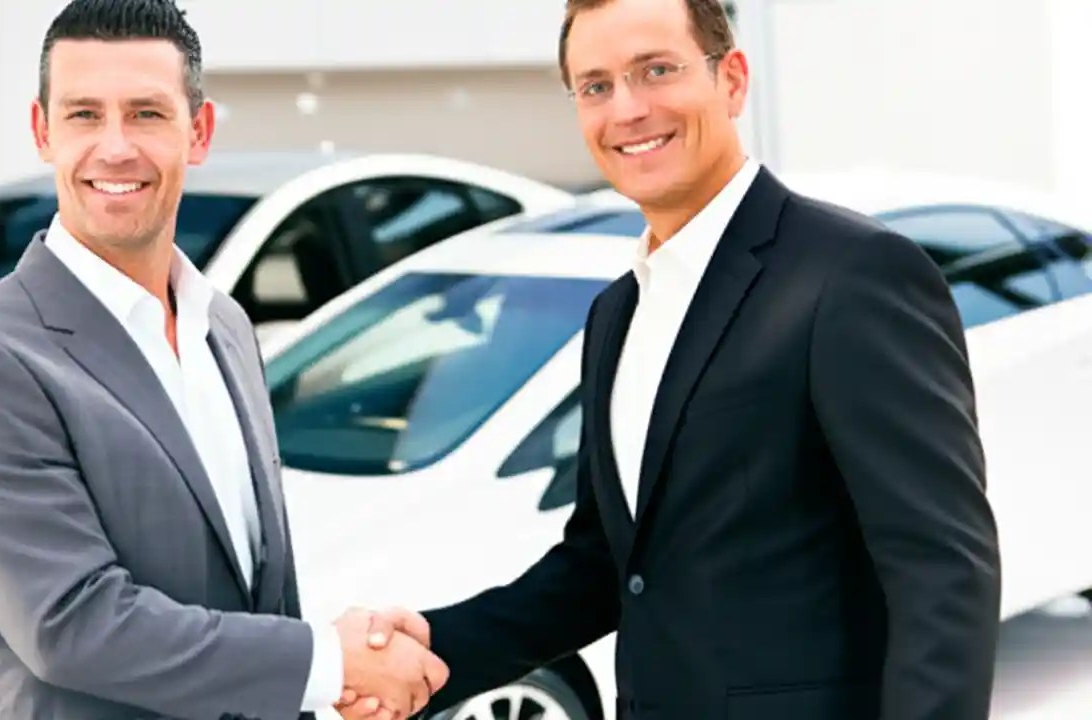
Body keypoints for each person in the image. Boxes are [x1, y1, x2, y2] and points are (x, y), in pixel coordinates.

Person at [358, 0, 1002, 718]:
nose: (627, 109)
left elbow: (942, 571)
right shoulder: (616, 313)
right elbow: (606, 565)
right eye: (596, 86)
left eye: (656, 70)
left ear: (732, 79)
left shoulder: (853, 275)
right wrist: (439, 648)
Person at [0, 1, 445, 719]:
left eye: (146, 113)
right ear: (43, 132)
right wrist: (328, 663)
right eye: (83, 115)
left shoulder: (223, 324)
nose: (115, 147)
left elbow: (253, 589)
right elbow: (72, 624)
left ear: (198, 132)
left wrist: (335, 673)